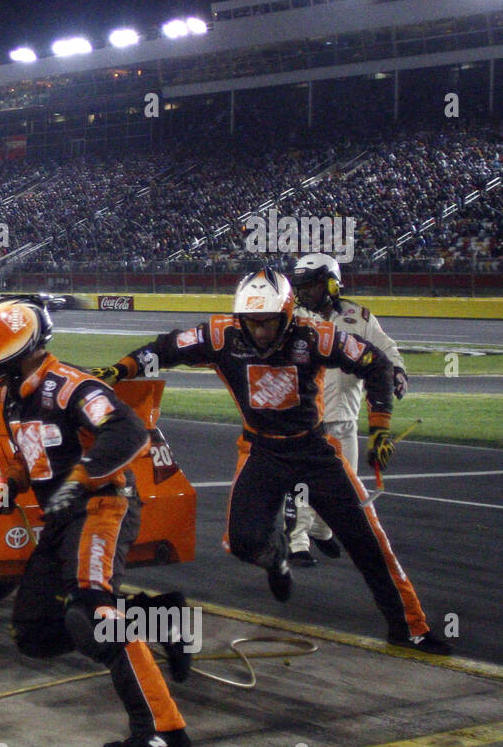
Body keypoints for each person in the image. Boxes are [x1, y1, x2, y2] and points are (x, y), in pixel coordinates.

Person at [93, 267, 451, 655]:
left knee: (368, 541)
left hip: (314, 451)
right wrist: (119, 369)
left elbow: (375, 362)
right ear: (239, 317)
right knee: (243, 542)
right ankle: (278, 560)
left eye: (270, 322)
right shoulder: (220, 335)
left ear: (289, 315)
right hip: (260, 452)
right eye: (253, 322)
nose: (261, 332)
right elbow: (164, 348)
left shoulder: (314, 336)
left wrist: (380, 426)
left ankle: (410, 628)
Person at [0, 298, 194, 747]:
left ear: (16, 344)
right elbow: (33, 459)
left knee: (90, 615)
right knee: (35, 632)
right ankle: (160, 617)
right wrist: (8, 483)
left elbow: (128, 433)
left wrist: (81, 479)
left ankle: (165, 731)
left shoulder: (72, 386)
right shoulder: (12, 396)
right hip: (62, 519)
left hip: (102, 506)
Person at [286, 254, 409, 566]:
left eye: (310, 286)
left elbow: (387, 349)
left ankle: (320, 530)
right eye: (299, 287)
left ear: (331, 284)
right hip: (306, 419)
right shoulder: (291, 319)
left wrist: (397, 371)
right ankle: (296, 542)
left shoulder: (360, 317)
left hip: (345, 417)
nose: (303, 293)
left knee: (345, 486)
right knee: (304, 485)